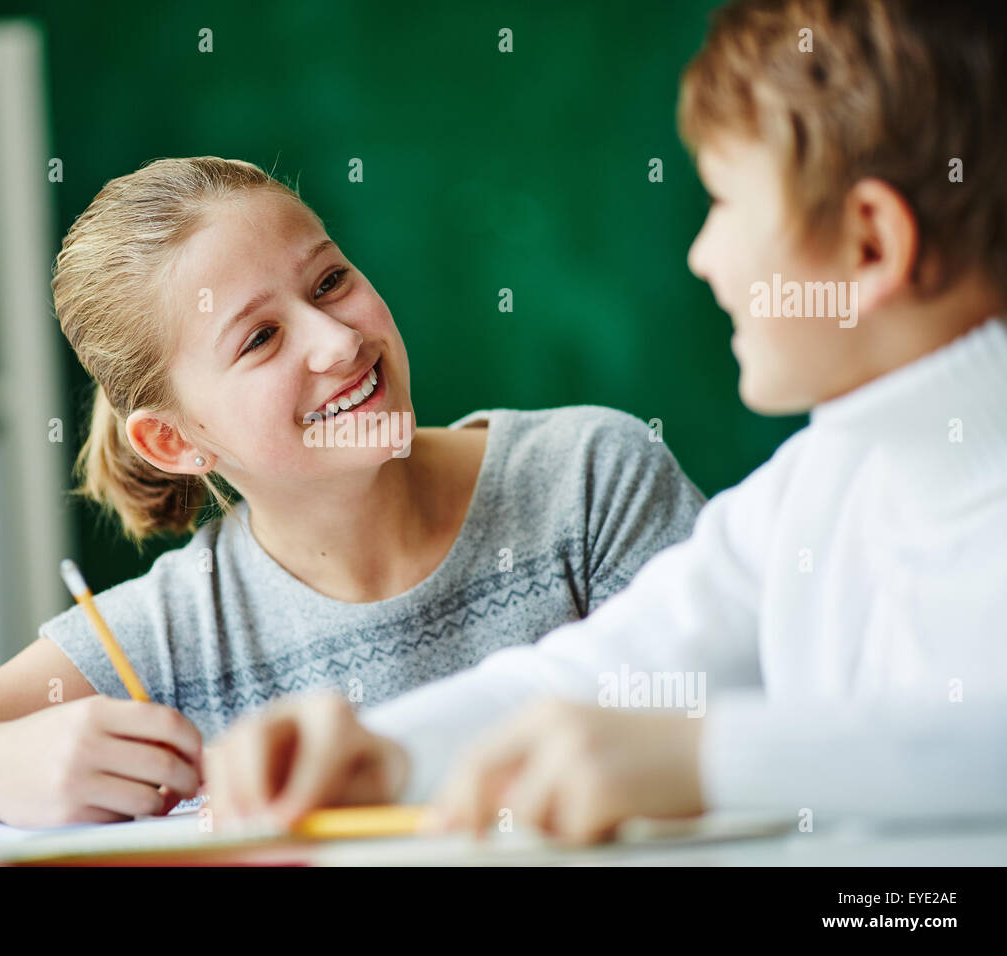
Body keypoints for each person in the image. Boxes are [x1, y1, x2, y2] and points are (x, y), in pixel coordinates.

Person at [203, 0, 1007, 842]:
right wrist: (384, 750)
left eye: (723, 201)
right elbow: (612, 668)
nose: (701, 255)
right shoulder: (822, 485)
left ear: (871, 244)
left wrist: (710, 760)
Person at [0, 157, 704, 833]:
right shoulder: (177, 631)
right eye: (259, 340)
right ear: (175, 441)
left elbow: (728, 720)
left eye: (331, 280)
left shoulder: (588, 482)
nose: (337, 343)